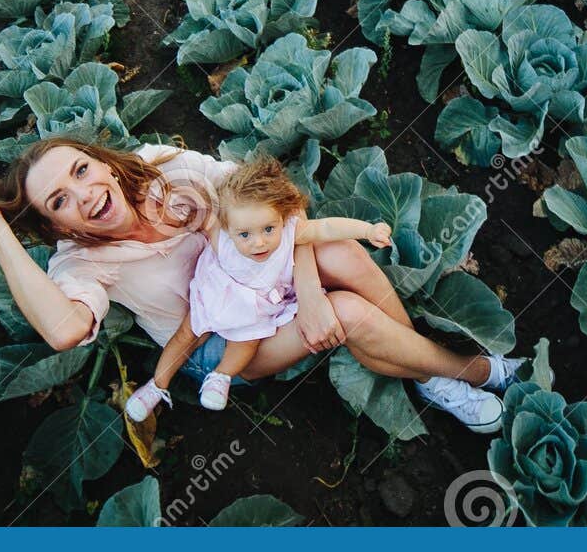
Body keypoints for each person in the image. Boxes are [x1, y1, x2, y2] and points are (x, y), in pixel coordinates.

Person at [0, 137, 523, 432]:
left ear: (103, 163)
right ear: (53, 225)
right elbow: (66, 330)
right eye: (60, 200)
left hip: (261, 274)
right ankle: (471, 372)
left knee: (339, 253)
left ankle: (423, 372)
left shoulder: (163, 166)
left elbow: (282, 205)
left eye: (81, 169)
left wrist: (310, 290)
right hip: (217, 341)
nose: (86, 192)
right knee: (350, 313)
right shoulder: (80, 263)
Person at [123, 153, 394, 419]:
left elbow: (325, 228)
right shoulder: (222, 232)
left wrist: (367, 231)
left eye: (268, 229)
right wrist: (164, 198)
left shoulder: (289, 233)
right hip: (212, 297)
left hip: (250, 310)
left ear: (280, 218)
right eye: (245, 235)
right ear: (229, 228)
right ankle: (157, 385)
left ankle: (221, 377)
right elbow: (193, 208)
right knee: (184, 337)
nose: (259, 243)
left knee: (244, 342)